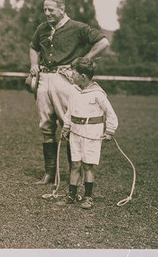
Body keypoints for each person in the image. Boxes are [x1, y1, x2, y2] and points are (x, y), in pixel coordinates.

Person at [29, 0, 109, 185]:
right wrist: (33, 65)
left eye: (51, 9)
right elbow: (33, 47)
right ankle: (50, 173)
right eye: (45, 9)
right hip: (43, 79)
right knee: (46, 126)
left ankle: (76, 174)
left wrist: (85, 60)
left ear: (62, 9)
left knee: (71, 125)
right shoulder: (42, 28)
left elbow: (103, 42)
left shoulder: (78, 27)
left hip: (65, 79)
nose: (47, 13)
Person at [60, 57, 118, 209]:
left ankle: (88, 197)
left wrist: (110, 130)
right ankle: (71, 195)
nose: (71, 75)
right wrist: (66, 126)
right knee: (75, 164)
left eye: (73, 73)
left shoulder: (98, 93)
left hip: (92, 133)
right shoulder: (73, 91)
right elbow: (69, 111)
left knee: (88, 165)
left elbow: (110, 113)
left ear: (83, 76)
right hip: (75, 132)